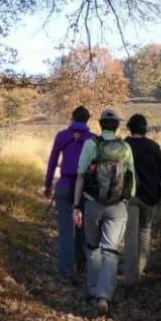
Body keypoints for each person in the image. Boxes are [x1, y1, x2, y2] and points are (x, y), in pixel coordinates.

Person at [73, 108, 135, 316]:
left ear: (100, 124)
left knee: (92, 247)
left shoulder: (91, 144)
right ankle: (104, 296)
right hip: (117, 206)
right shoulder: (125, 147)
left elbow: (81, 175)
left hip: (92, 203)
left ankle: (92, 290)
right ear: (117, 125)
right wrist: (125, 200)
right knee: (110, 251)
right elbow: (131, 179)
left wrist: (76, 206)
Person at [123, 114, 161, 286]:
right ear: (145, 129)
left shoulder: (124, 145)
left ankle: (130, 278)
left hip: (129, 197)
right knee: (145, 231)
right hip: (150, 197)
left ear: (130, 128)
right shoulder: (154, 146)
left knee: (130, 236)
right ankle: (140, 269)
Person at [45, 106, 94, 282]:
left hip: (65, 185)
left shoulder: (62, 136)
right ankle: (81, 266)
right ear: (88, 120)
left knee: (66, 229)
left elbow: (52, 161)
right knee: (83, 229)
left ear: (72, 118)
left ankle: (66, 269)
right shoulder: (93, 139)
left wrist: (48, 185)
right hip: (85, 190)